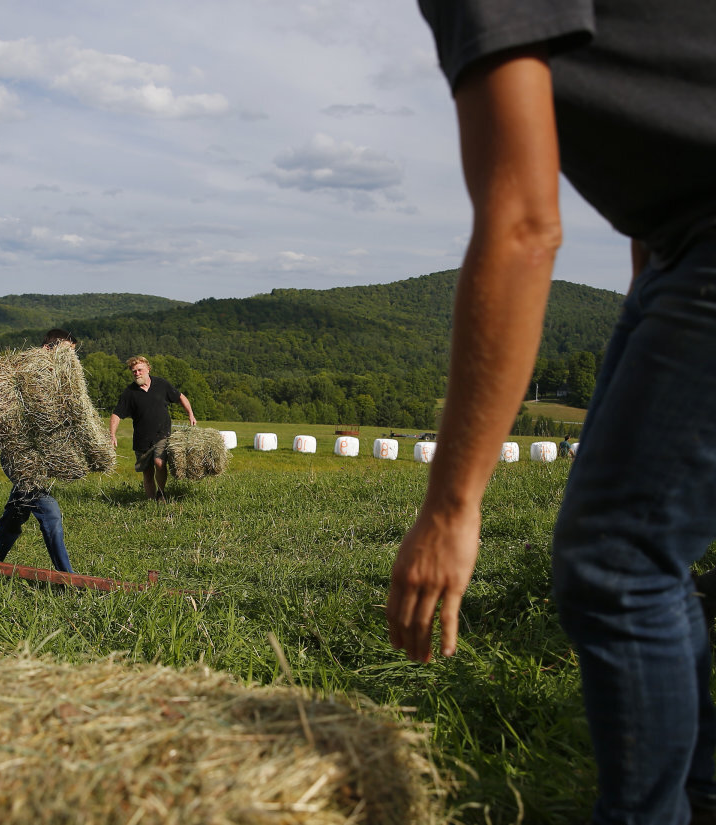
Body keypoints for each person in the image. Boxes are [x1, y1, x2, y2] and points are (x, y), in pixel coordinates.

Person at [387, 3, 716, 823]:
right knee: (642, 552)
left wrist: (451, 506)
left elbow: (525, 227)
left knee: (616, 559)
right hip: (679, 239)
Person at [0, 329, 79, 573]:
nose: (72, 360)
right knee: (50, 513)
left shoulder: (55, 381)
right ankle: (67, 579)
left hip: (37, 458)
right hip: (21, 459)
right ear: (49, 349)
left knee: (13, 520)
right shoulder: (25, 373)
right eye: (67, 353)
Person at [109, 356, 196, 501]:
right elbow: (117, 414)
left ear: (148, 369)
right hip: (141, 439)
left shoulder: (161, 385)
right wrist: (112, 434)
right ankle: (150, 501)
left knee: (159, 463)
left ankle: (161, 493)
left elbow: (180, 397)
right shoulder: (129, 392)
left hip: (162, 434)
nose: (137, 373)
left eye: (139, 370)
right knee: (147, 473)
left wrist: (190, 414)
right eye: (134, 371)